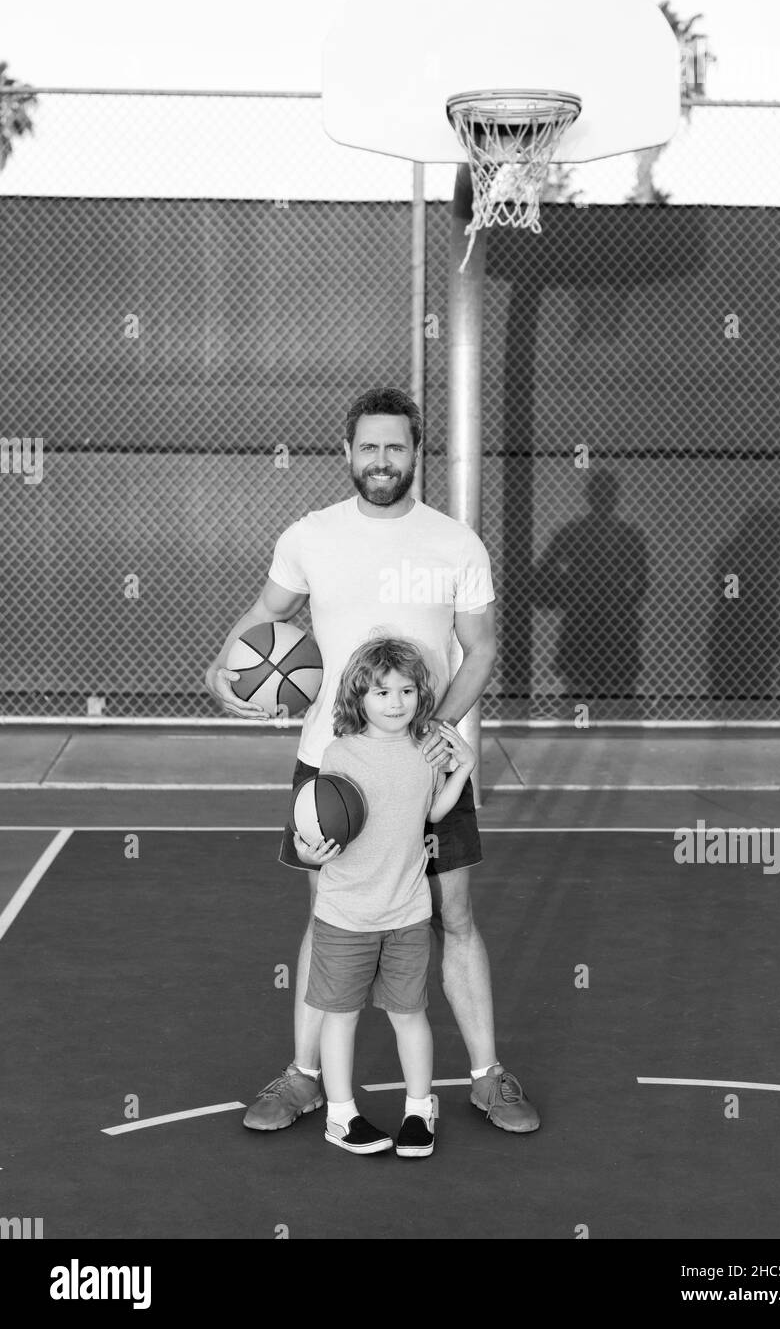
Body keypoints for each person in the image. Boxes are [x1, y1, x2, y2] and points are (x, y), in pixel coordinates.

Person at [205, 386, 539, 1135]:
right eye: (369, 446)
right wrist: (217, 670)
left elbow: (481, 648)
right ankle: (304, 1078)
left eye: (396, 447)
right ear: (346, 452)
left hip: (425, 765)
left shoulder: (456, 543)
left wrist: (438, 730)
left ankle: (489, 1077)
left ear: (417, 454)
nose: (382, 460)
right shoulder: (310, 536)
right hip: (334, 768)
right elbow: (266, 616)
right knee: (330, 916)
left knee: (454, 914)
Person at [297, 635, 476, 1157]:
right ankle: (340, 1115)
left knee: (410, 1014)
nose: (396, 702)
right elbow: (317, 824)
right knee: (341, 1016)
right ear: (360, 697)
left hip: (407, 913)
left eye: (406, 691)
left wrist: (461, 766)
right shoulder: (340, 752)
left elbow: (434, 814)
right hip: (345, 913)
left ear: (421, 694)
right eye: (381, 692)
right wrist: (311, 856)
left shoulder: (426, 753)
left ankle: (419, 1111)